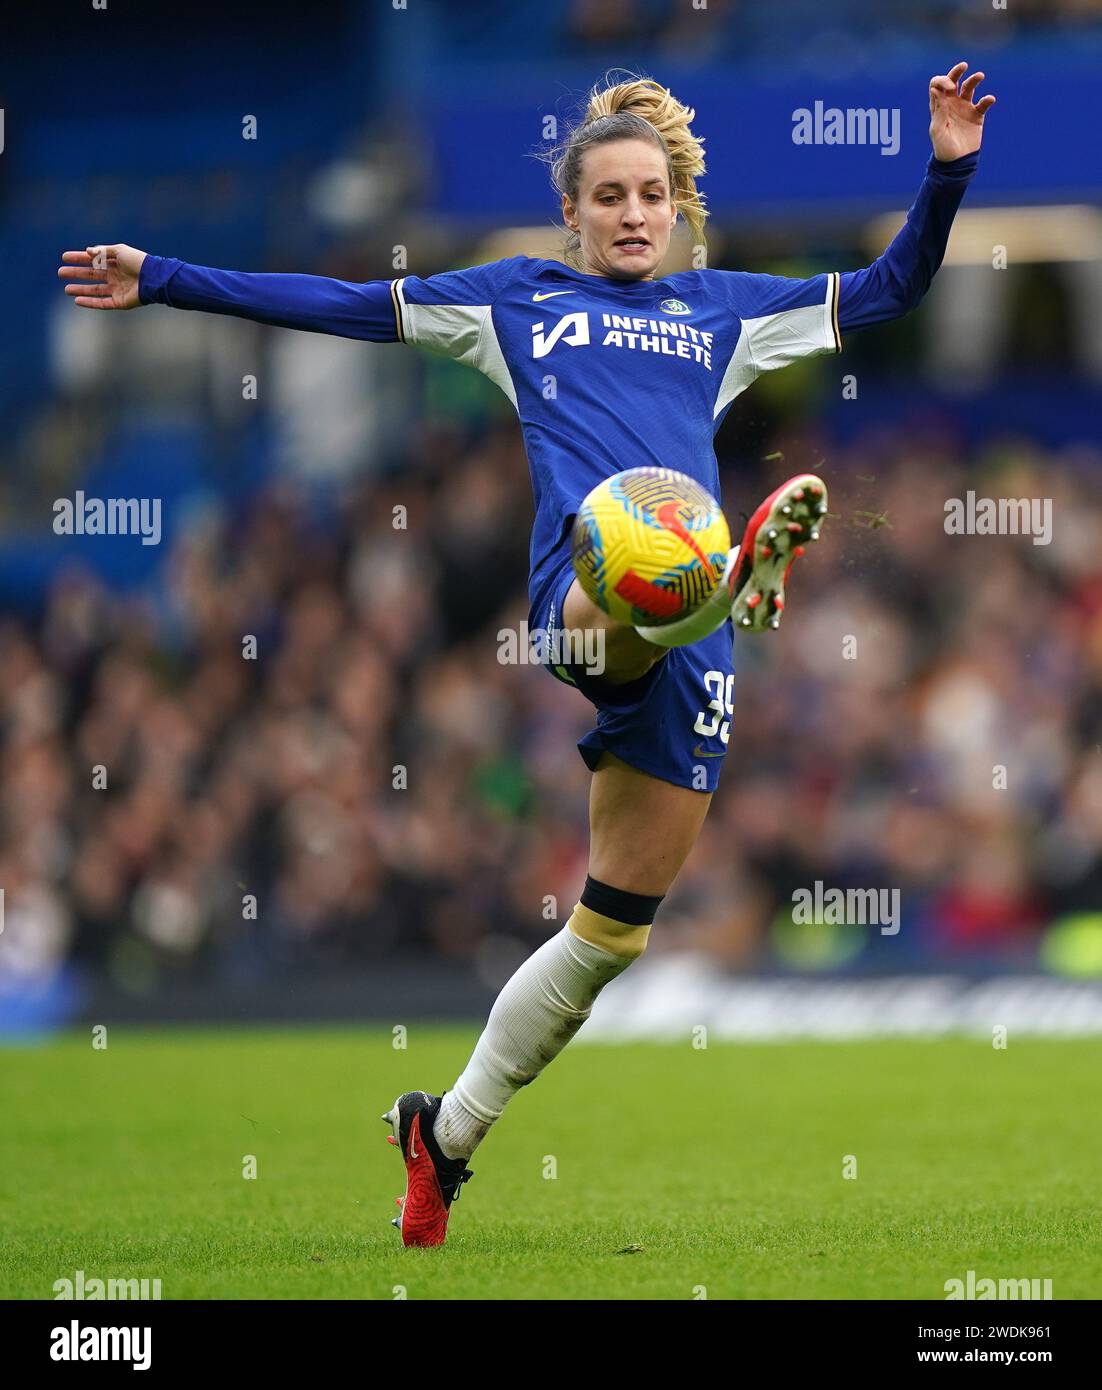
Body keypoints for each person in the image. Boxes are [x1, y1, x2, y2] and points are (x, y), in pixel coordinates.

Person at [57, 62, 994, 1248]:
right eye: (609, 197)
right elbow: (337, 303)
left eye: (651, 194)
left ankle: (441, 1133)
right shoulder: (514, 303)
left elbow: (891, 287)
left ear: (675, 203)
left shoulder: (724, 313)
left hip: (689, 654)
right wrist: (166, 282)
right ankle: (720, 585)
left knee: (611, 933)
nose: (634, 214)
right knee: (623, 592)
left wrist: (948, 167)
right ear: (573, 212)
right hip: (581, 599)